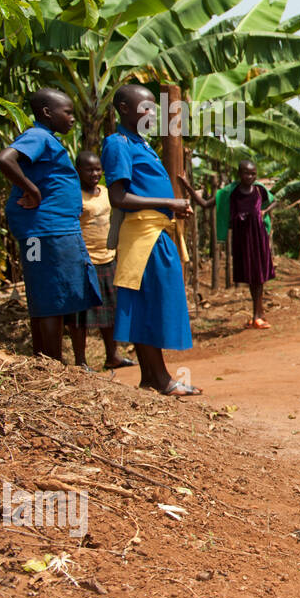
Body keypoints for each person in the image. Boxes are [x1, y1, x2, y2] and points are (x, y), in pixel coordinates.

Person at [101, 83, 200, 397]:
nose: (151, 114)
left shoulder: (141, 144)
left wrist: (169, 209)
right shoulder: (118, 144)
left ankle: (152, 377)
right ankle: (160, 378)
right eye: (144, 108)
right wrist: (168, 204)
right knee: (147, 304)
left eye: (154, 109)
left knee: (153, 302)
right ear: (124, 109)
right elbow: (118, 197)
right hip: (142, 237)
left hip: (155, 232)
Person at [0, 88, 101, 361]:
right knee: (53, 296)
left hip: (35, 233)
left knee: (41, 291)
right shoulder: (38, 136)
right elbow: (4, 159)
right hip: (50, 232)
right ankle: (53, 363)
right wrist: (34, 191)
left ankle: (43, 358)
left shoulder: (45, 139)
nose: (73, 119)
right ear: (46, 113)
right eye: (67, 112)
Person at [180, 160, 276, 329]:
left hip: (258, 237)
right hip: (242, 240)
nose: (250, 176)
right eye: (247, 173)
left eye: (253, 173)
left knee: (258, 277)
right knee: (251, 277)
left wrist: (265, 211)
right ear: (239, 174)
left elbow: (275, 201)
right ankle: (258, 315)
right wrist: (187, 186)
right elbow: (204, 204)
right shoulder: (229, 192)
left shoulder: (260, 189)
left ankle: (257, 316)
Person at [69, 150, 133, 370]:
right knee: (81, 316)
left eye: (98, 169)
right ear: (78, 171)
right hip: (85, 261)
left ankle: (112, 355)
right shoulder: (75, 196)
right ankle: (80, 361)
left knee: (111, 311)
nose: (94, 173)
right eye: (89, 169)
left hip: (108, 258)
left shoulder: (106, 193)